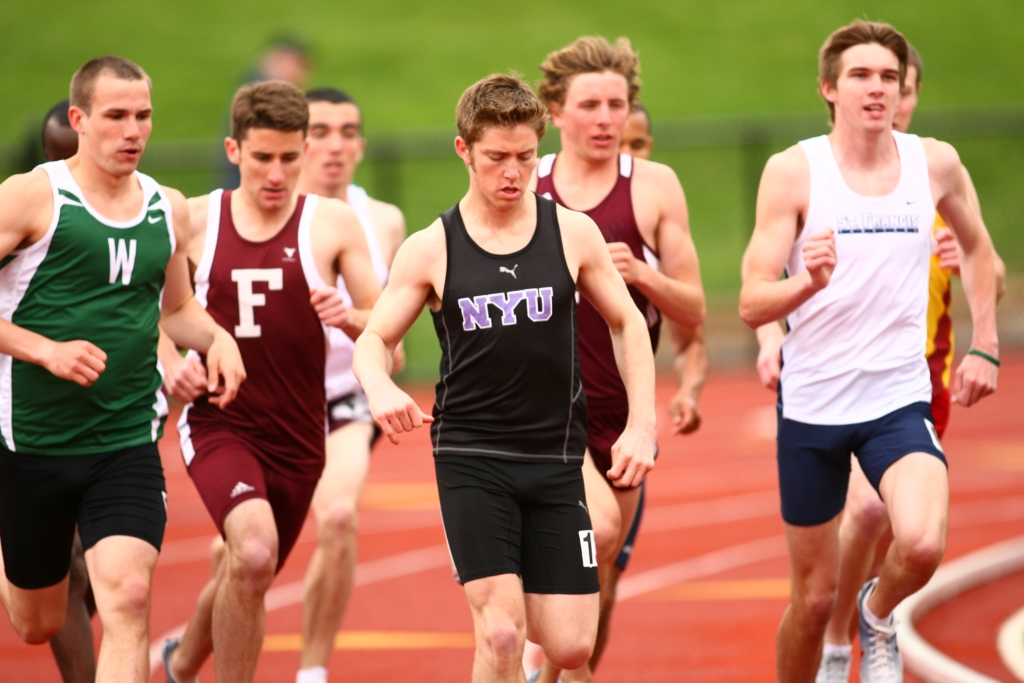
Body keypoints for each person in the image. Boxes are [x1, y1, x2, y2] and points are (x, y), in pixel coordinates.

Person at [352, 72, 657, 683]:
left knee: (570, 647)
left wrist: (641, 422)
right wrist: (381, 386)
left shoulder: (570, 231)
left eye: (526, 157)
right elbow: (373, 339)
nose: (513, 173)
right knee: (500, 631)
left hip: (556, 458)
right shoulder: (431, 247)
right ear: (464, 150)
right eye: (497, 158)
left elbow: (627, 322)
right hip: (472, 457)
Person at [739, 20, 1000, 683]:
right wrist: (808, 281)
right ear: (829, 88)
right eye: (860, 75)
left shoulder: (933, 162)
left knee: (918, 542)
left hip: (896, 397)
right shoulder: (794, 171)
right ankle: (826, 646)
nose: (876, 89)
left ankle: (878, 614)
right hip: (814, 405)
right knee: (813, 596)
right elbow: (750, 300)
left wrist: (987, 345)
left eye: (888, 76)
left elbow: (980, 251)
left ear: (902, 88)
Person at [0, 56, 245, 683]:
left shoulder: (168, 207)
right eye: (116, 116)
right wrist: (43, 350)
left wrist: (217, 339)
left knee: (129, 597)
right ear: (79, 119)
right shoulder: (31, 196)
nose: (132, 130)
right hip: (29, 441)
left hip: (125, 439)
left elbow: (179, 308)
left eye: (142, 116)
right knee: (38, 623)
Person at [160, 80, 381, 683]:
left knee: (248, 568)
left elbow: (387, 325)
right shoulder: (196, 220)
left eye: (290, 157)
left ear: (305, 149)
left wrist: (352, 317)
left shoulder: (332, 225)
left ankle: (179, 663)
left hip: (300, 435)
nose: (277, 173)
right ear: (234, 151)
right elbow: (150, 309)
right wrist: (168, 360)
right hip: (220, 422)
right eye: (262, 157)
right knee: (253, 552)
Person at [531, 37, 705, 683]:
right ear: (555, 110)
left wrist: (642, 277)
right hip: (546, 408)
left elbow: (693, 309)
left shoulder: (654, 187)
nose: (606, 118)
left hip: (621, 412)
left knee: (600, 571)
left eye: (617, 104)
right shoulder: (530, 185)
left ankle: (556, 673)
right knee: (593, 533)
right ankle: (524, 647)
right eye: (590, 105)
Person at [293, 86, 406, 683]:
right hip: (269, 407)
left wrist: (356, 319)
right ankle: (186, 657)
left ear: (362, 144)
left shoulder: (383, 221)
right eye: (319, 131)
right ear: (296, 141)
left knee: (337, 518)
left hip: (344, 402)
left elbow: (398, 337)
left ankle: (312, 670)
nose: (334, 146)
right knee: (238, 557)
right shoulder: (268, 211)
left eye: (347, 132)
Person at [31, 97, 98, 683]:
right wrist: (44, 350)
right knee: (57, 591)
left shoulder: (141, 209)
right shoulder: (23, 212)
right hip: (30, 423)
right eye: (58, 157)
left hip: (117, 414)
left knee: (116, 578)